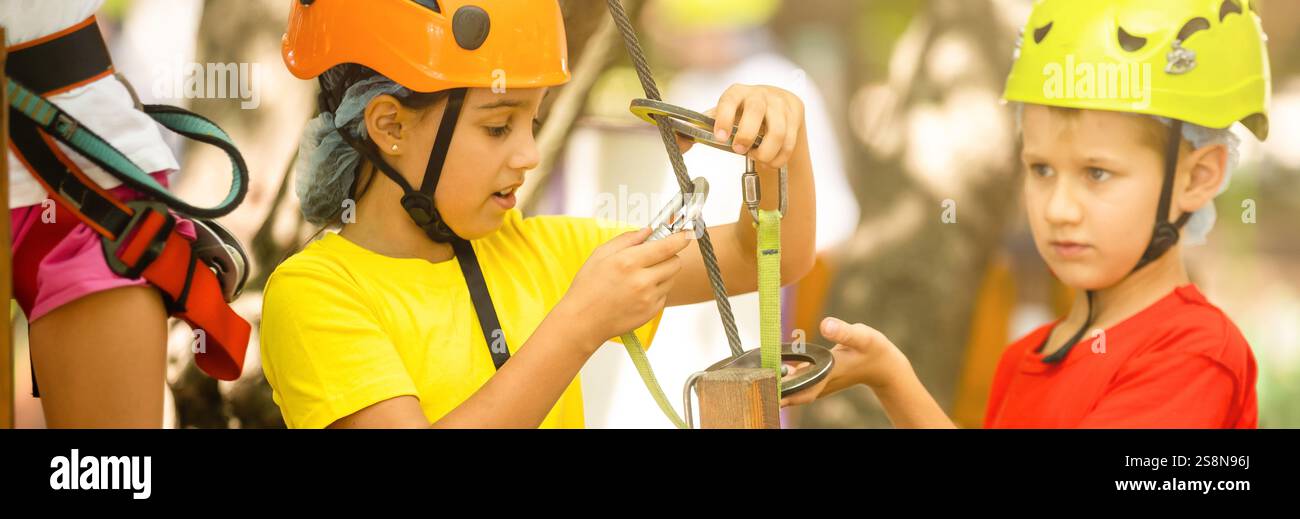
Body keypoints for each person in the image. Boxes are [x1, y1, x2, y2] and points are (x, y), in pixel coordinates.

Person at [260, 0, 818, 428]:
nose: (529, 154)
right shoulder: (315, 294)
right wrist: (579, 324)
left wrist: (780, 144)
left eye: (533, 123)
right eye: (497, 127)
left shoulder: (540, 252)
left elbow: (764, 257)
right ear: (390, 126)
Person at [785, 0, 1268, 428]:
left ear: (1197, 177)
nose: (1058, 209)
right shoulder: (1026, 355)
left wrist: (893, 379)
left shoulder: (1194, 353)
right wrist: (889, 377)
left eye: (1097, 173)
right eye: (1041, 169)